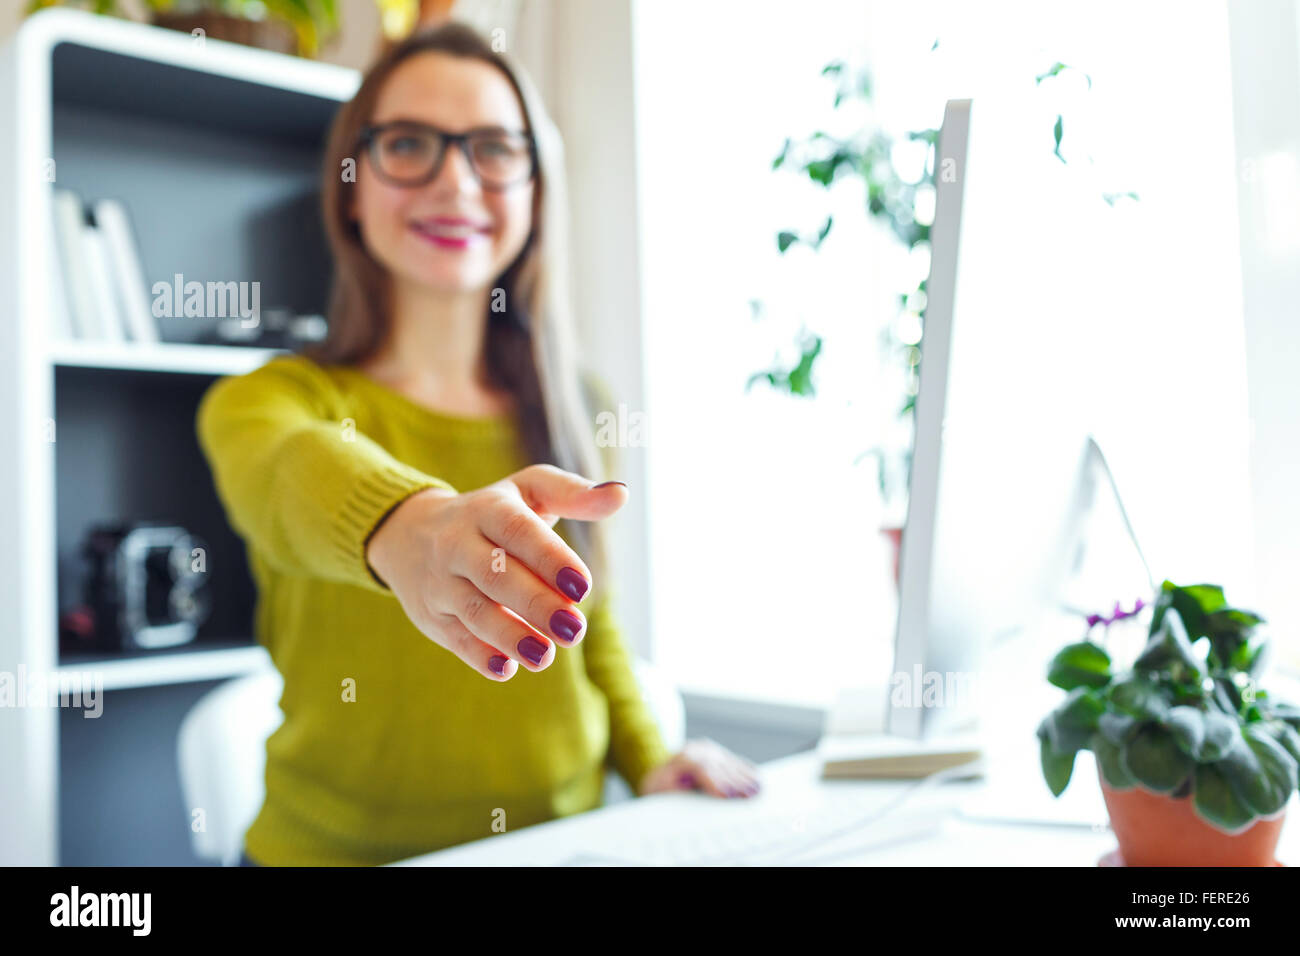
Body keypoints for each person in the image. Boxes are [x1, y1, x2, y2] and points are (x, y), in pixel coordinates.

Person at [197, 21, 759, 867]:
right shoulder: (267, 402)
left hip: (562, 847)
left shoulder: (575, 400)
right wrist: (414, 529)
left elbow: (588, 630)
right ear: (351, 183)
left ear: (535, 193)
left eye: (494, 149)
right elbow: (292, 477)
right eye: (411, 144)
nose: (455, 181)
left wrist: (651, 760)